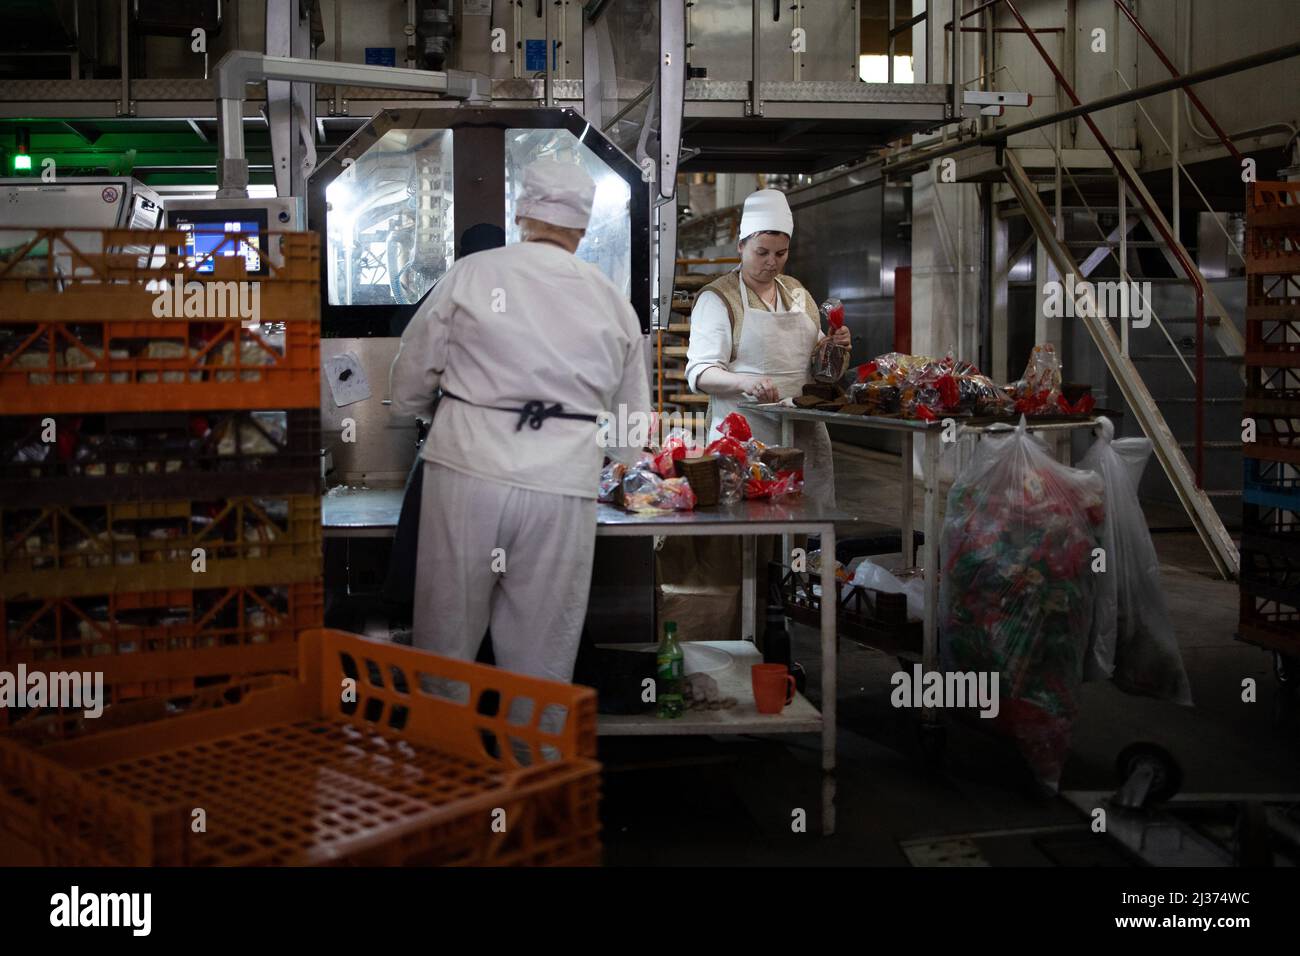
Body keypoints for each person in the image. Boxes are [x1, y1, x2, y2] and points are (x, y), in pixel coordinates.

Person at [389, 160, 650, 682]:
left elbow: (410, 379)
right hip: (560, 489)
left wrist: (428, 413)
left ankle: (446, 754)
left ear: (520, 213)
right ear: (582, 228)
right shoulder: (611, 299)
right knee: (542, 652)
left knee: (446, 638)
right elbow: (630, 432)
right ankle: (535, 757)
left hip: (466, 472)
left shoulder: (473, 273)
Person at [685, 188, 849, 508]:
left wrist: (835, 347)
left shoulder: (796, 292)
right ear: (741, 246)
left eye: (781, 253)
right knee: (753, 528)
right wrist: (746, 382)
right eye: (762, 252)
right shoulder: (718, 299)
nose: (772, 263)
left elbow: (820, 369)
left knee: (806, 523)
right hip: (747, 436)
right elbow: (701, 372)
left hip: (802, 436)